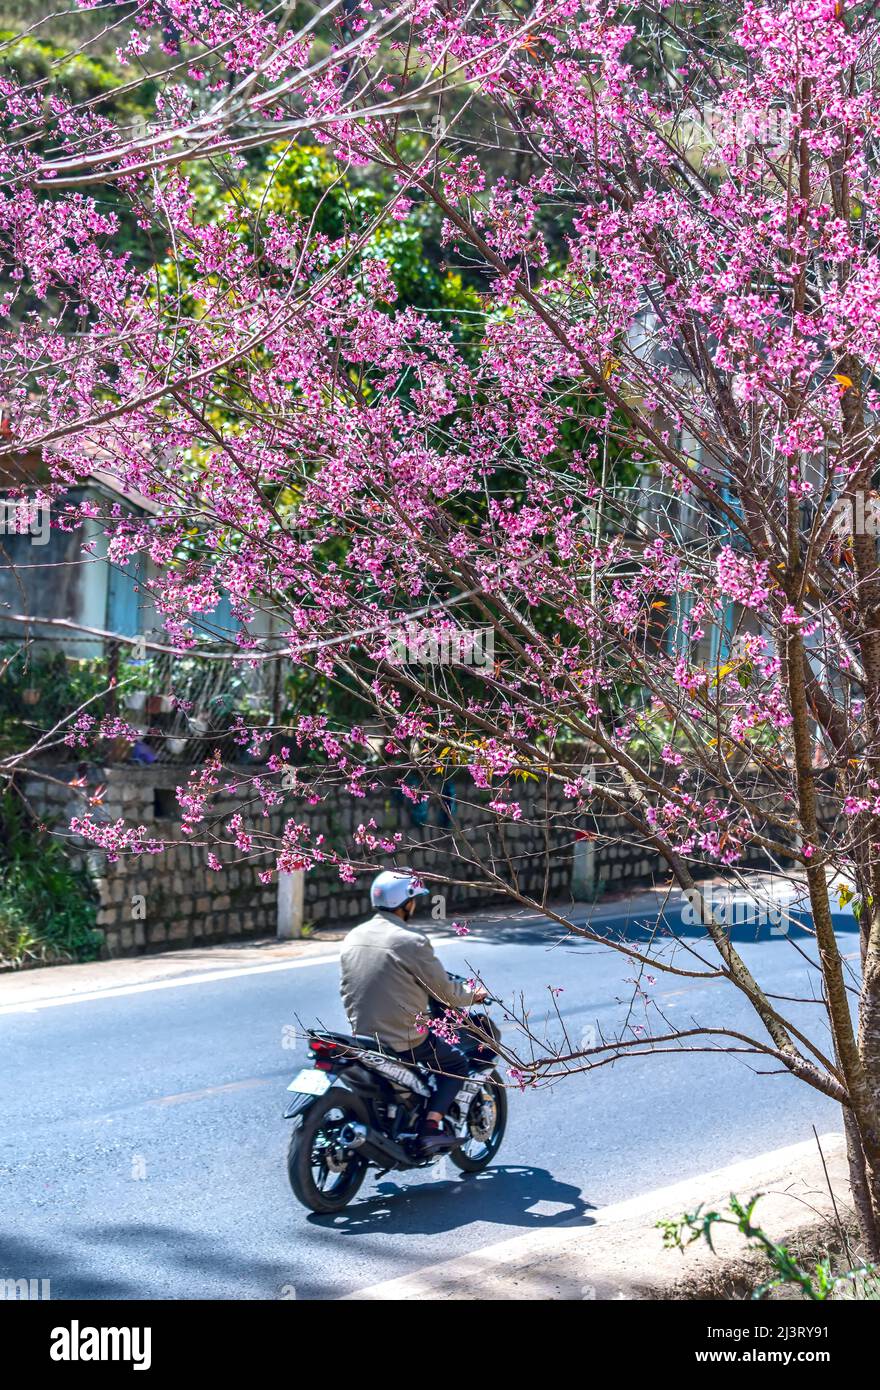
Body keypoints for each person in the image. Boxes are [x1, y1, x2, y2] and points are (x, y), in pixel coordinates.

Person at [339, 870, 487, 1154]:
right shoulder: (412, 941)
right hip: (402, 1038)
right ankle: (431, 1126)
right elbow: (444, 992)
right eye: (414, 901)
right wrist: (473, 995)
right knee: (456, 1064)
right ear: (406, 904)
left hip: (361, 1035)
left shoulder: (353, 936)